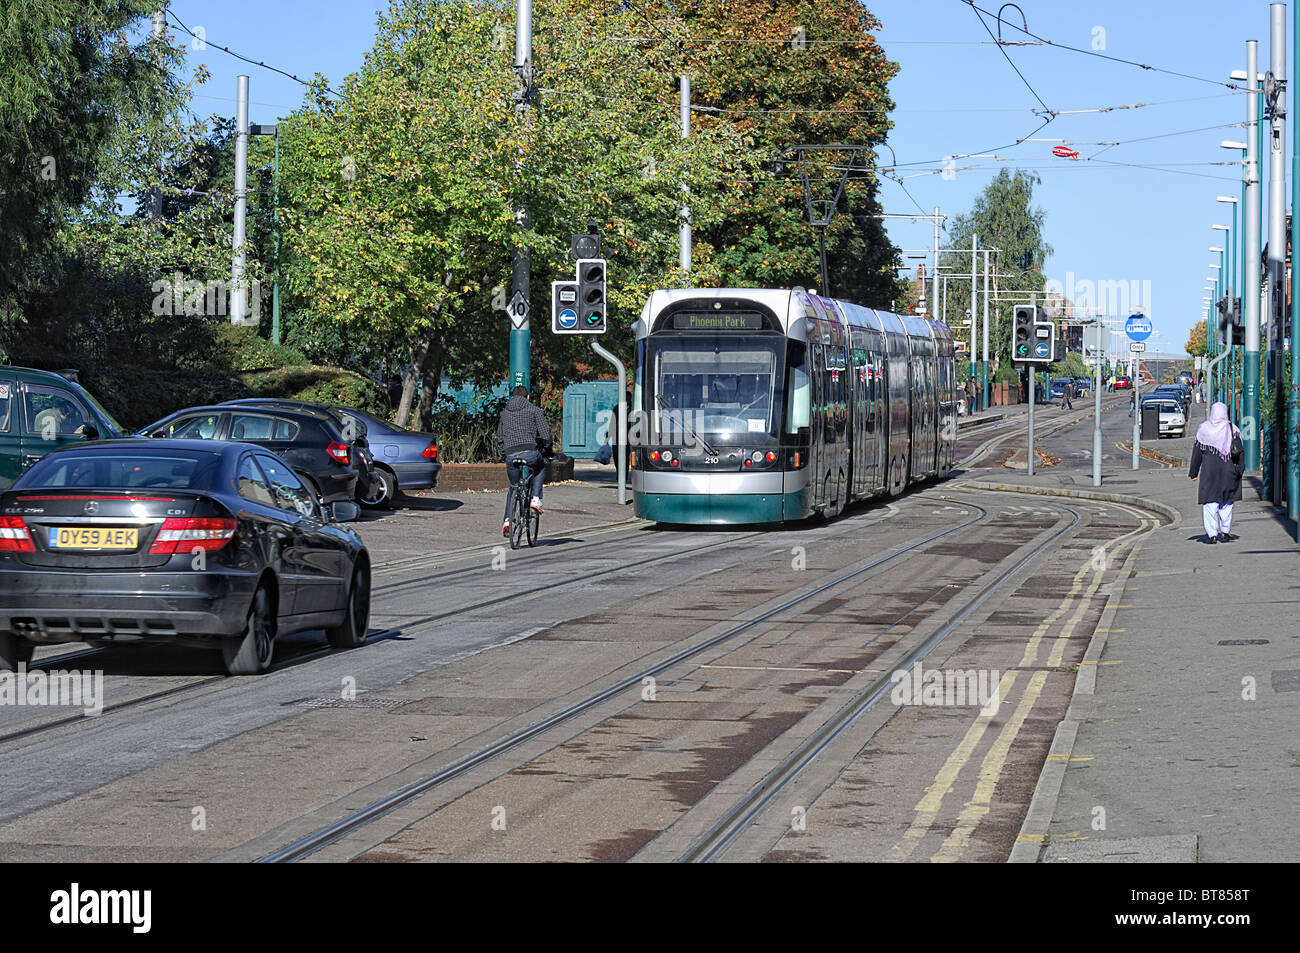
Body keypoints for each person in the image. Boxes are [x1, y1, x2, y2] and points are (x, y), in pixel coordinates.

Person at [497, 385, 554, 536]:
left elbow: (500, 438)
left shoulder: (504, 412)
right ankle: (535, 498)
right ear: (527, 397)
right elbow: (545, 435)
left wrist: (504, 455)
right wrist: (547, 449)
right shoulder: (534, 410)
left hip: (510, 454)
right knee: (539, 467)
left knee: (513, 487)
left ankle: (508, 520)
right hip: (529, 452)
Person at [1189, 401, 1244, 544]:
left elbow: (1197, 453)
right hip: (1228, 470)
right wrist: (1240, 469)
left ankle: (1212, 534)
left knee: (1209, 503)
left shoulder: (1203, 429)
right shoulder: (1232, 428)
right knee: (1227, 502)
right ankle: (1225, 531)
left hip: (1209, 472)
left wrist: (1194, 472)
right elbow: (1240, 451)